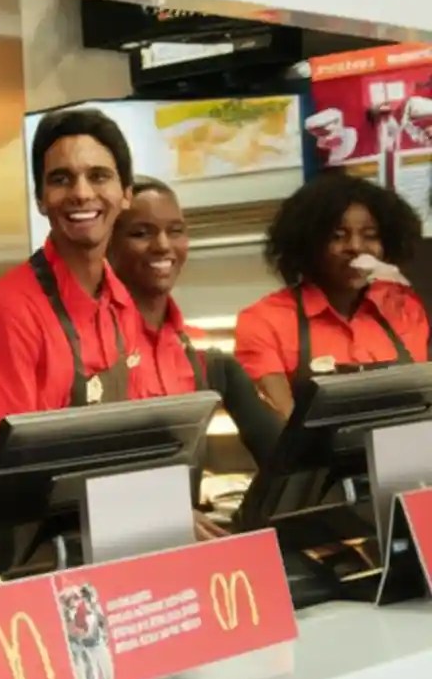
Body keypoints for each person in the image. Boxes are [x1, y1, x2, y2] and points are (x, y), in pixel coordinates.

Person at [0, 108, 142, 453]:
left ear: (126, 193)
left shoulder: (121, 301)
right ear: (41, 200)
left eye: (99, 176)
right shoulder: (6, 314)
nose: (81, 193)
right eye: (61, 179)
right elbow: (2, 467)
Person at [108, 177, 284, 474]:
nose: (163, 245)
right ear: (107, 245)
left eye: (175, 231)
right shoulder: (95, 351)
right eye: (141, 233)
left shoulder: (197, 353)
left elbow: (287, 459)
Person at [234, 173, 429, 417]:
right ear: (307, 242)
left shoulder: (403, 307)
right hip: (313, 455)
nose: (355, 247)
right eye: (338, 236)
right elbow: (283, 431)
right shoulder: (264, 321)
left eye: (370, 235)